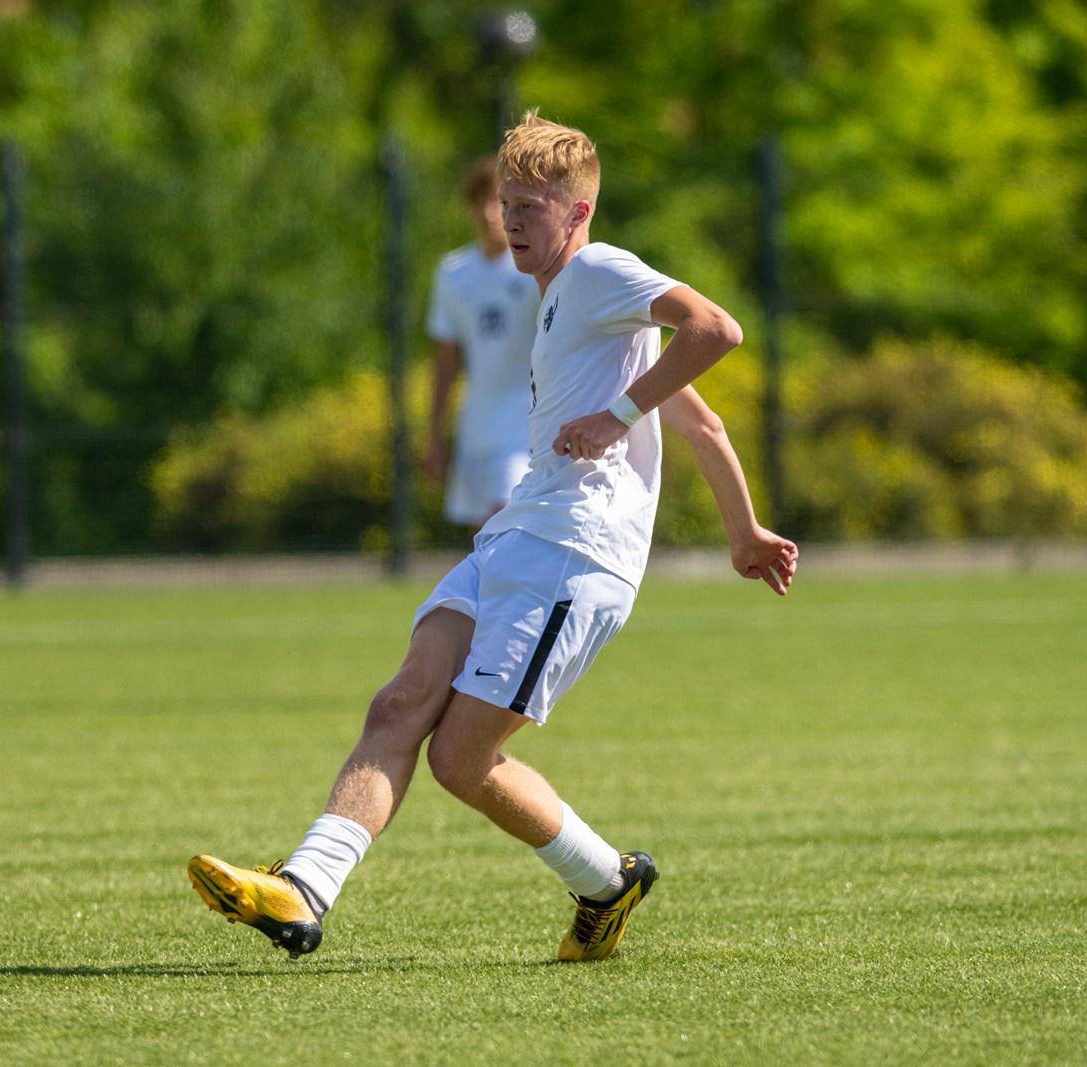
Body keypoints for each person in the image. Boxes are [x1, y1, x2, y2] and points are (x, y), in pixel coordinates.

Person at [188, 112, 797, 962]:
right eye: (506, 202)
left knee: (461, 758)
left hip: (574, 554)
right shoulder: (564, 298)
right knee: (400, 702)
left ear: (577, 213)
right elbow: (703, 426)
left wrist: (614, 419)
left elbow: (718, 330)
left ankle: (605, 881)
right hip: (516, 535)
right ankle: (301, 888)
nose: (509, 221)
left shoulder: (599, 272)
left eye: (530, 207)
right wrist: (742, 532)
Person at [422, 157, 541, 532]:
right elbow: (444, 362)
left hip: (527, 424)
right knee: (485, 543)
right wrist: (436, 435)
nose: (493, 214)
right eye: (484, 203)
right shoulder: (454, 273)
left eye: (502, 203)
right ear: (471, 208)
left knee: (507, 517)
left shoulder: (536, 269)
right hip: (477, 425)